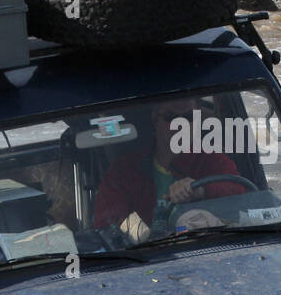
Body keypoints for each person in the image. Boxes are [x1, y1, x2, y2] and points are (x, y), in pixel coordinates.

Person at [93, 97, 246, 231]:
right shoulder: (125, 170)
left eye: (188, 116)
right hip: (144, 258)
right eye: (171, 117)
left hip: (204, 251)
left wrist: (202, 190)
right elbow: (106, 222)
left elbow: (241, 193)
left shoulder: (210, 159)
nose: (180, 125)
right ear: (155, 118)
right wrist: (139, 233)